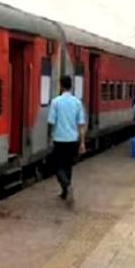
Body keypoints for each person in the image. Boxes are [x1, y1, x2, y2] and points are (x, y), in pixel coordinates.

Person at [47, 75, 87, 204]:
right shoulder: (77, 102)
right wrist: (82, 143)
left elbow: (51, 122)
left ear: (61, 86)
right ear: (71, 86)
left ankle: (67, 186)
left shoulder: (56, 102)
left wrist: (49, 136)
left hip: (59, 139)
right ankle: (65, 192)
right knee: (68, 166)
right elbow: (81, 124)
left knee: (58, 167)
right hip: (73, 140)